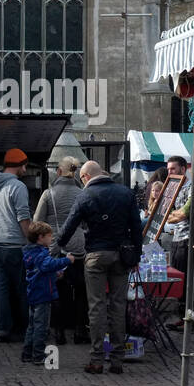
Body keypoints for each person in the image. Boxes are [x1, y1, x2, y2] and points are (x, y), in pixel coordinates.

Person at [57, 160, 142, 374]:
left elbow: (68, 227)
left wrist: (58, 244)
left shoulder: (85, 196)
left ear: (85, 177)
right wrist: (136, 257)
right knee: (118, 306)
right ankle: (117, 360)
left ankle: (96, 359)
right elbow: (136, 227)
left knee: (96, 307)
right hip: (121, 256)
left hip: (95, 255)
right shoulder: (125, 193)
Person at [34, 156, 89, 345]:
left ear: (58, 172)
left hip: (55, 248)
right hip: (79, 248)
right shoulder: (82, 193)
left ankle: (59, 332)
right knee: (81, 290)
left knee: (58, 290)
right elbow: (86, 222)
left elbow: (37, 222)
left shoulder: (48, 194)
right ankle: (80, 330)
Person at [0, 147, 33, 342]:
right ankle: (25, 330)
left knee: (1, 289)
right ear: (18, 165)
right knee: (21, 288)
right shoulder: (18, 187)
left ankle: (3, 330)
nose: (26, 169)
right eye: (25, 165)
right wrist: (32, 240)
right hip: (14, 245)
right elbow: (23, 218)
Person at [22, 222, 73, 364]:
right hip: (43, 294)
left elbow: (40, 271)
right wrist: (67, 260)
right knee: (41, 326)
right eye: (50, 236)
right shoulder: (41, 253)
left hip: (33, 293)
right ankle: (38, 355)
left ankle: (27, 353)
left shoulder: (30, 252)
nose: (52, 239)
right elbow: (48, 265)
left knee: (32, 325)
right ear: (41, 237)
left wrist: (55, 274)